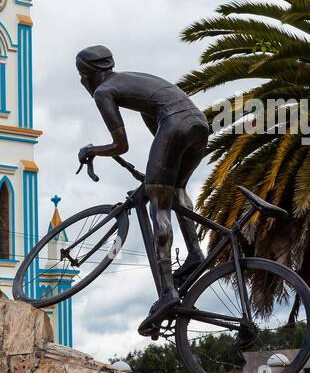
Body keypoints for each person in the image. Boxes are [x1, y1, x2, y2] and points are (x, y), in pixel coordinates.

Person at [75, 45, 210, 335]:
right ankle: (196, 253)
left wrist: (92, 150)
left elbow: (121, 145)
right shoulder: (133, 80)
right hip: (199, 124)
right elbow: (160, 131)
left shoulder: (104, 92)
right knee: (174, 189)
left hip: (175, 124)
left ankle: (167, 293)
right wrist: (158, 172)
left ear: (87, 75)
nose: (82, 83)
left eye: (81, 76)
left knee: (157, 204)